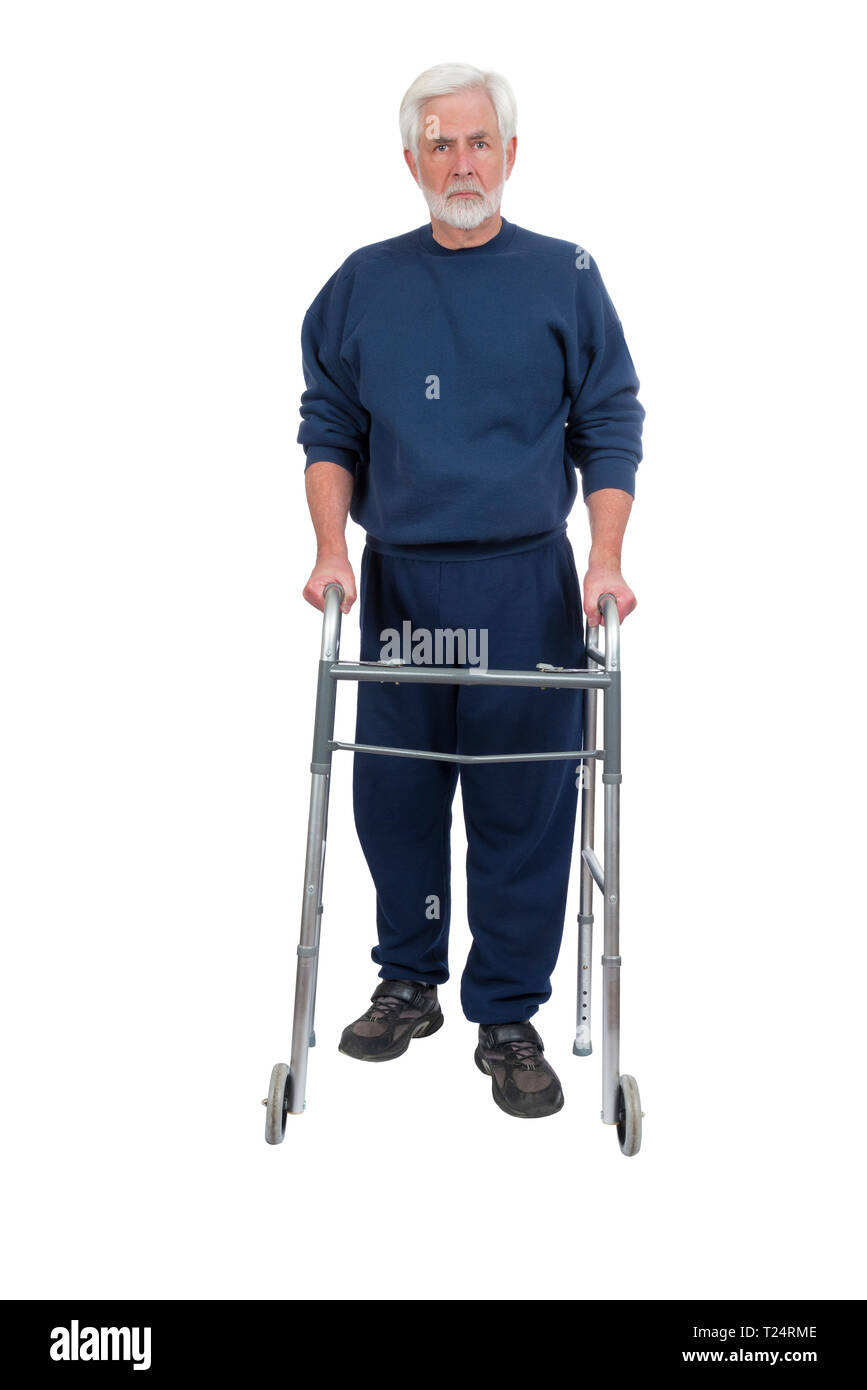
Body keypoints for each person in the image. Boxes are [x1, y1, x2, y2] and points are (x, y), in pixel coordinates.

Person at [296, 62, 644, 1119]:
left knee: (522, 802)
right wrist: (331, 551)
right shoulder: (364, 281)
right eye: (440, 144)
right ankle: (410, 977)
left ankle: (506, 1010)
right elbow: (328, 429)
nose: (461, 163)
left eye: (478, 142)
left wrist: (604, 558)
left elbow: (610, 423)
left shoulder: (565, 275)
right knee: (395, 795)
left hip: (525, 583)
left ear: (509, 155)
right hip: (402, 582)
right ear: (412, 160)